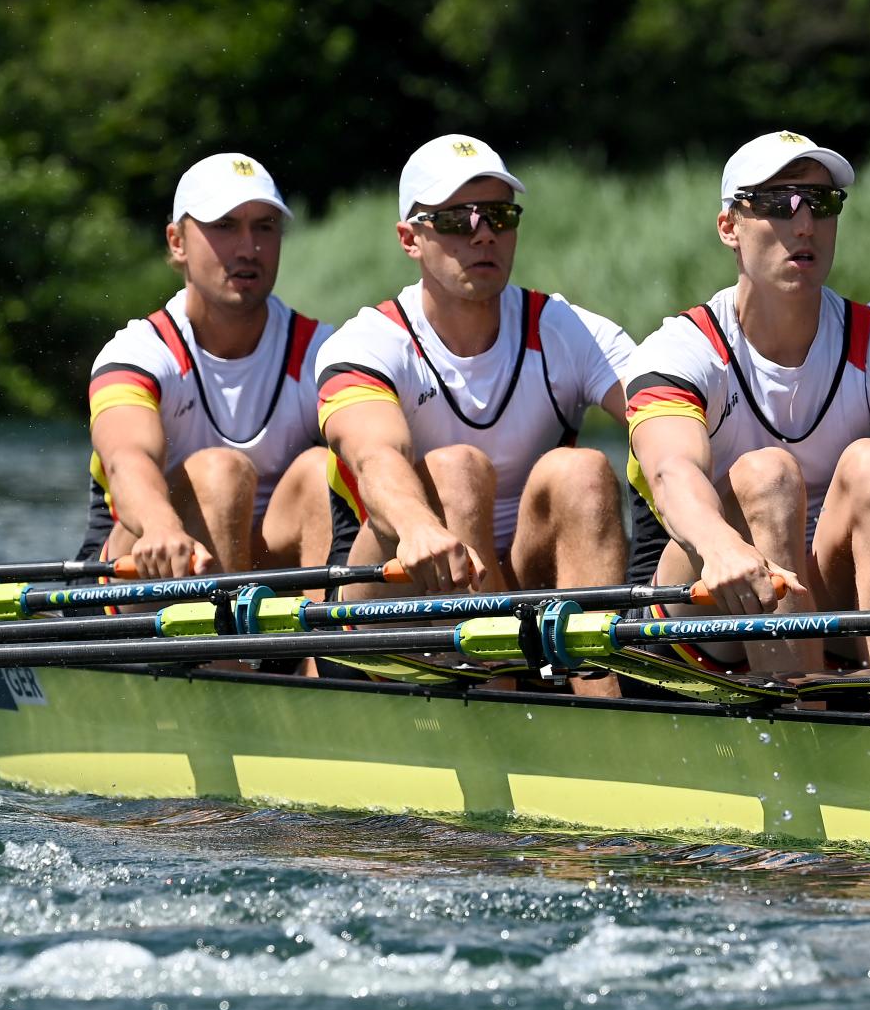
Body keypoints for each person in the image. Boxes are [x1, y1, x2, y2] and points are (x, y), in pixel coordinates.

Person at [624, 130, 870, 710]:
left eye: (821, 205)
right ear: (730, 227)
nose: (804, 226)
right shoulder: (682, 349)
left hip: (825, 597)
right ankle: (799, 721)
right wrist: (721, 544)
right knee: (768, 474)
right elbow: (672, 472)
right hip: (703, 599)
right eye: (778, 205)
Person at [315, 134, 633, 691]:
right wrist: (415, 526)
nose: (484, 233)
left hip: (524, 587)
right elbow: (374, 456)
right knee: (457, 467)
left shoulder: (567, 330)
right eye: (458, 219)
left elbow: (666, 423)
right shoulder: (365, 344)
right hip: (384, 599)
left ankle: (601, 706)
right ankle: (491, 703)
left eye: (499, 216)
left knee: (584, 470)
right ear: (409, 238)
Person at [82, 153, 333, 578]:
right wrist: (161, 525)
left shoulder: (323, 351)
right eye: (225, 226)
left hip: (263, 564)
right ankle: (232, 644)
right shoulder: (138, 354)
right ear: (177, 242)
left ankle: (321, 640)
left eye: (265, 227)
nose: (249, 248)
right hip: (139, 566)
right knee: (222, 473)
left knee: (320, 472)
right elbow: (128, 460)